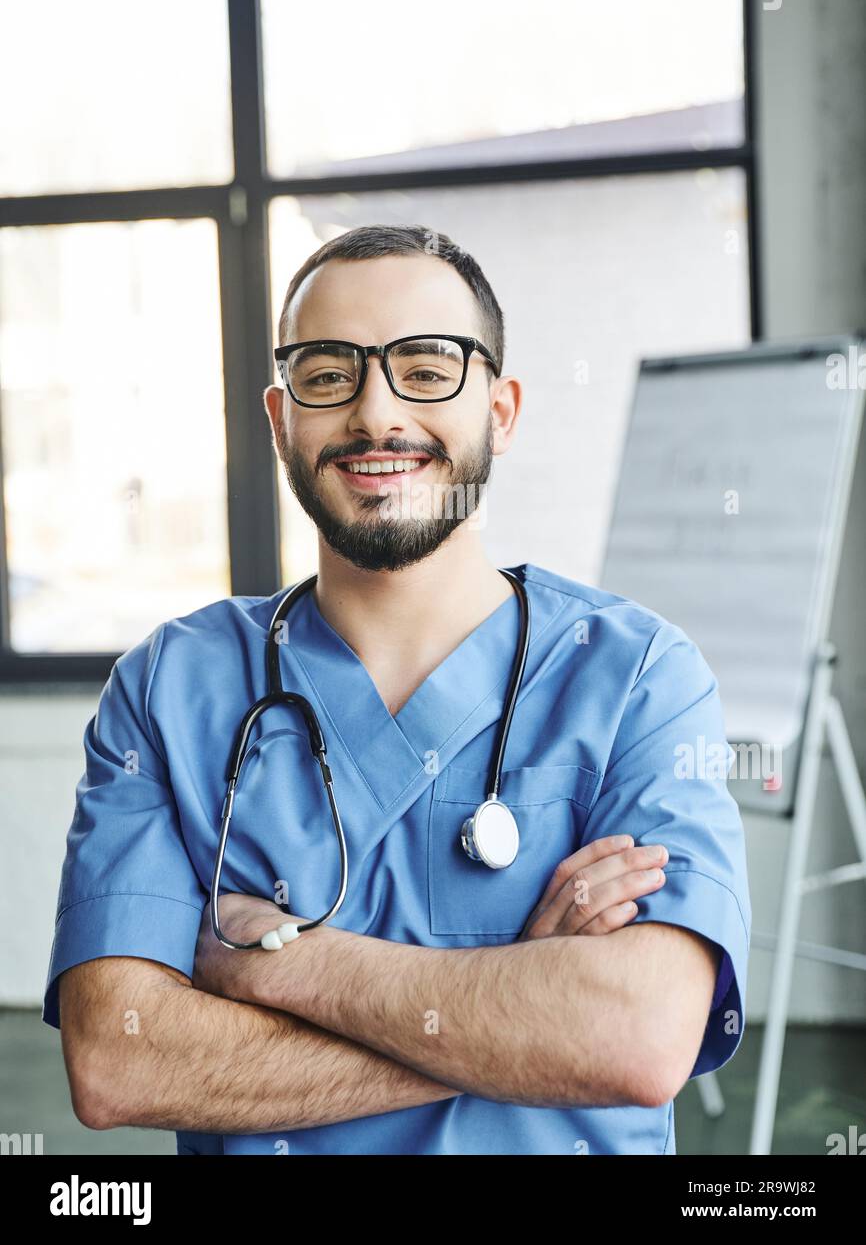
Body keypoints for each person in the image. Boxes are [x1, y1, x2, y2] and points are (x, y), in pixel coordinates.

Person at [44, 223, 751, 1155]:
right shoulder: (170, 688)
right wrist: (520, 1008)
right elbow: (119, 1062)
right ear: (279, 416)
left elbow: (642, 1037)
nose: (377, 414)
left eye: (426, 369)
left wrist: (275, 970)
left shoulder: (637, 677)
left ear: (500, 411)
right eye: (329, 373)